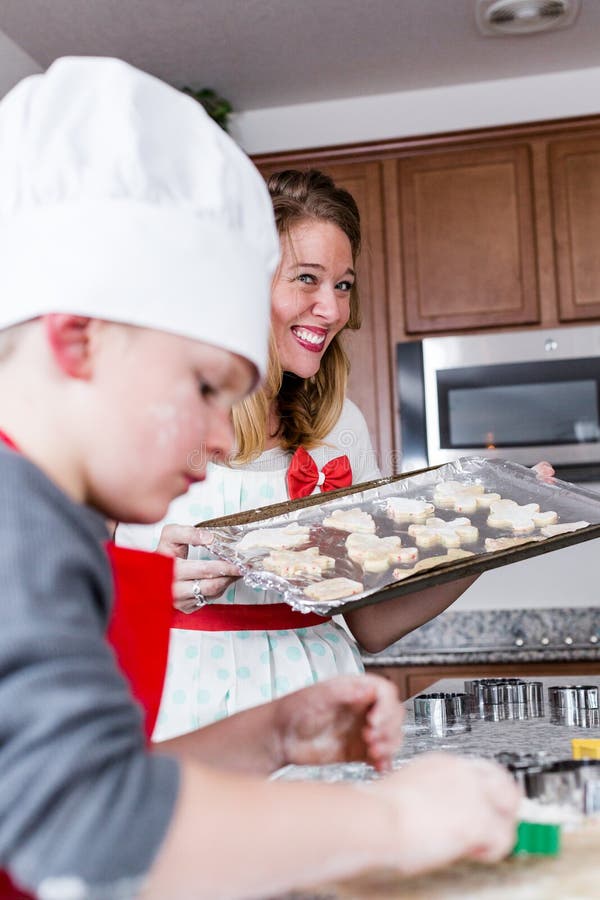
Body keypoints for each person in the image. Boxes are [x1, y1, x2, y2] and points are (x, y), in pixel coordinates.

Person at [0, 57, 521, 899]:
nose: (218, 438)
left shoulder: (41, 512)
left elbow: (65, 782)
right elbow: (88, 824)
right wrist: (400, 821)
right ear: (77, 338)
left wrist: (274, 732)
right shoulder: (15, 524)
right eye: (205, 386)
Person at [117, 170, 554, 741]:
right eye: (307, 279)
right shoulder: (143, 412)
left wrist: (488, 543)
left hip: (322, 698)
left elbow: (370, 623)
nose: (331, 308)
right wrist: (145, 586)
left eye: (343, 285)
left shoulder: (341, 423)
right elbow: (48, 592)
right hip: (184, 699)